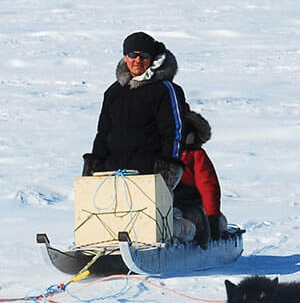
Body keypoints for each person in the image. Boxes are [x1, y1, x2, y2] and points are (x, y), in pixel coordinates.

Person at [83, 32, 188, 182]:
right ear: (125, 57)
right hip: (113, 174)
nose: (138, 60)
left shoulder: (165, 90)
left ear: (152, 58)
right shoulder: (114, 92)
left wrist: (166, 172)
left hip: (149, 176)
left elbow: (173, 133)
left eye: (144, 55)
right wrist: (93, 168)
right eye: (133, 55)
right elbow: (103, 134)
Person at [176, 108, 227, 246]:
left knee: (219, 222)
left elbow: (208, 187)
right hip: (169, 205)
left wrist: (212, 217)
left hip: (191, 206)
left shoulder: (196, 155)